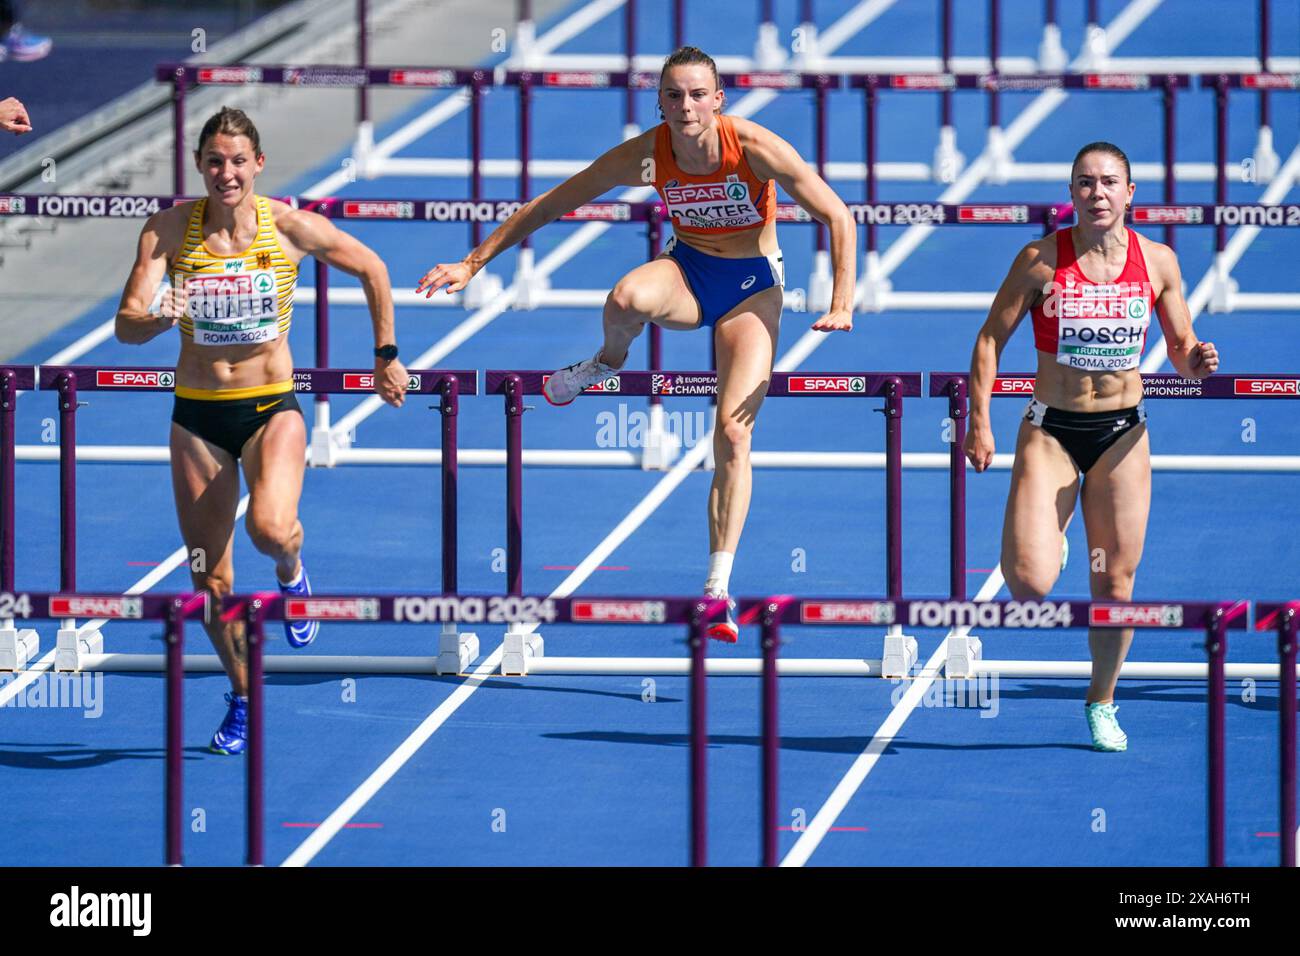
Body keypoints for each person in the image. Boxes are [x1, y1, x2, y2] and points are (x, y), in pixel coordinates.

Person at [417, 46, 856, 642]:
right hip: (690, 274)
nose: (686, 106)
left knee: (732, 432)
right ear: (660, 103)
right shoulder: (649, 155)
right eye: (673, 95)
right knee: (625, 298)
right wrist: (473, 263)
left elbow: (839, 216)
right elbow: (555, 202)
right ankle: (606, 362)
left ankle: (716, 590)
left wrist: (841, 302)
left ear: (718, 100)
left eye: (698, 94)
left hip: (753, 287)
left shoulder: (753, 147)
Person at [115, 107, 408, 754]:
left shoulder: (289, 227)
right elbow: (125, 324)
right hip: (197, 416)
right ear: (199, 165)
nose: (227, 173)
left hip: (271, 407)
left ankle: (292, 568)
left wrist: (385, 354)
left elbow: (373, 269)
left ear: (259, 165)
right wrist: (160, 317)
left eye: (238, 161)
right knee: (209, 581)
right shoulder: (167, 231)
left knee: (270, 528)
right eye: (215, 161)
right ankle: (244, 695)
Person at [963, 141, 1219, 752]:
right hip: (1051, 430)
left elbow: (1181, 348)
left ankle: (1102, 700)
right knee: (1028, 586)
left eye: (1109, 183)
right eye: (1085, 183)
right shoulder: (1041, 259)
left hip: (1121, 435)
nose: (1097, 193)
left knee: (1116, 586)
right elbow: (988, 341)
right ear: (1071, 192)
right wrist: (980, 422)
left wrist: (1198, 361)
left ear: (1130, 193)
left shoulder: (1157, 262)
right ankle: (1057, 529)